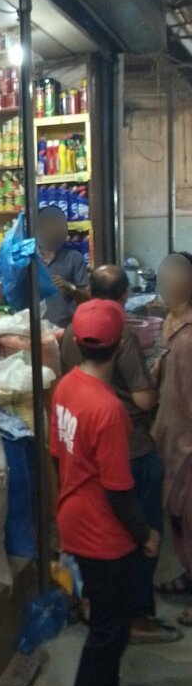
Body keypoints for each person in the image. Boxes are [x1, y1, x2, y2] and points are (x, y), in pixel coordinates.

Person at [51, 299, 160, 686]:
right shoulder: (110, 410)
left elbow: (59, 457)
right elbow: (118, 488)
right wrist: (145, 534)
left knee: (105, 624)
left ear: (77, 343)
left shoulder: (65, 387)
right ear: (119, 346)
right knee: (109, 634)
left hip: (75, 519)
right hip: (106, 532)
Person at [60, 265, 180, 644]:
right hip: (131, 449)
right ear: (125, 296)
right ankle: (137, 614)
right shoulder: (121, 340)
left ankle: (95, 603)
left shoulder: (68, 337)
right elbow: (144, 399)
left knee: (105, 539)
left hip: (84, 454)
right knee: (136, 533)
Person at [152, 252, 192, 629]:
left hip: (188, 443)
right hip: (171, 434)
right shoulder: (171, 321)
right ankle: (187, 575)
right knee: (178, 518)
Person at [37, 206, 89, 327]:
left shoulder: (74, 258)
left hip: (66, 329)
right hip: (34, 331)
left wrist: (69, 287)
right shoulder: (28, 260)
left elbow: (86, 298)